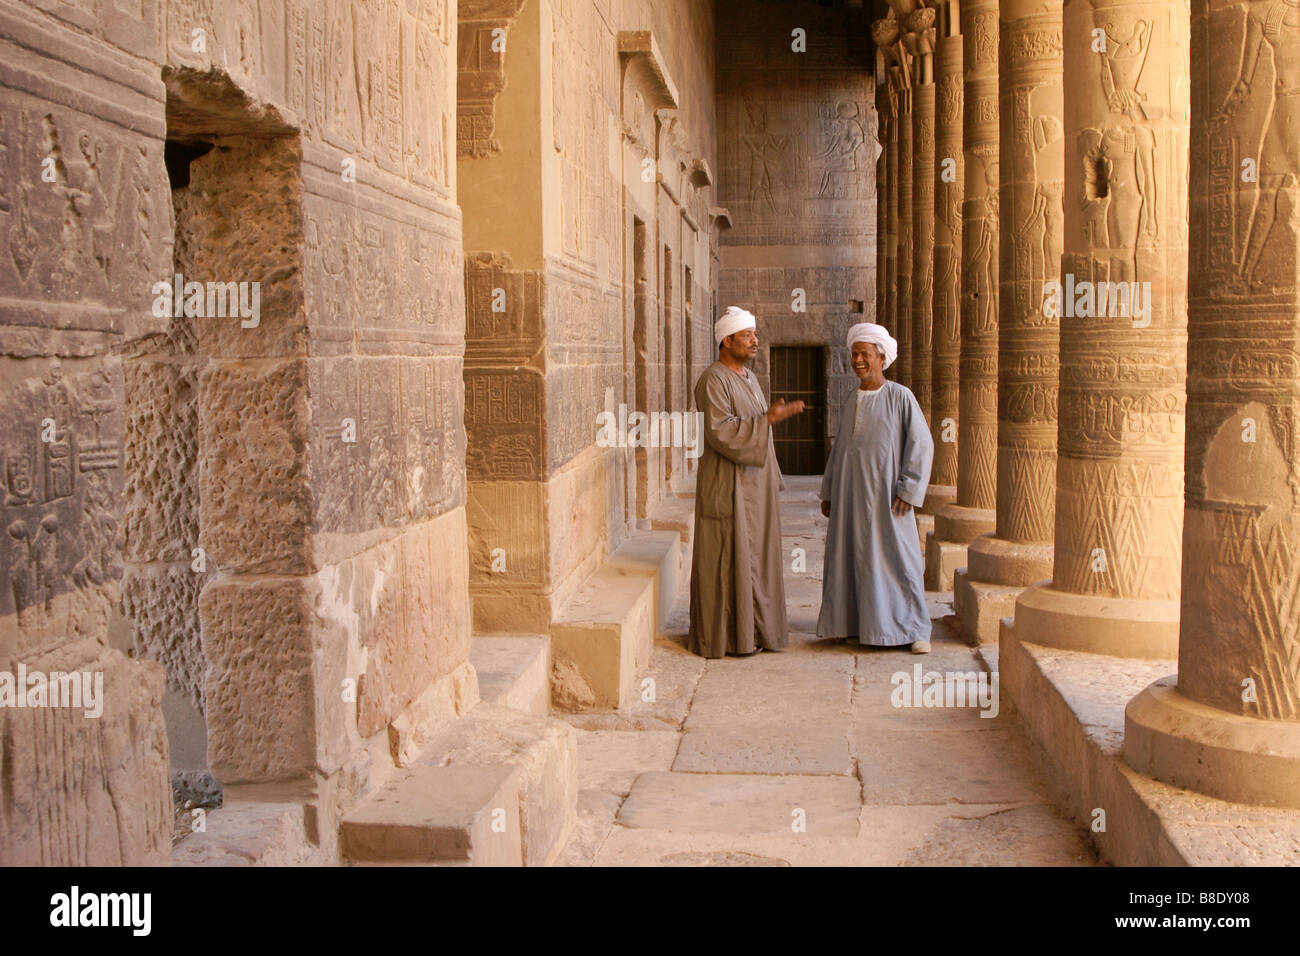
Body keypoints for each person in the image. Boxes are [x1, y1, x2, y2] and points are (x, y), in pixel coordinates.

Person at [687, 306, 805, 658]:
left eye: (754, 334)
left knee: (759, 558)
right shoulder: (713, 379)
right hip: (729, 485)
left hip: (756, 486)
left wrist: (767, 420)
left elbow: (755, 426)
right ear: (727, 340)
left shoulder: (749, 379)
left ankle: (758, 630)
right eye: (747, 335)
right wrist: (767, 418)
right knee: (728, 559)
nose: (755, 341)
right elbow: (720, 432)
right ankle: (728, 636)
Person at [817, 322, 934, 653]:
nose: (858, 361)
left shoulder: (900, 397)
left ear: (881, 358)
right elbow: (840, 448)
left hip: (887, 498)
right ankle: (861, 626)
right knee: (853, 557)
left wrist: (908, 489)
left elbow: (921, 444)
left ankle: (914, 629)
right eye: (854, 355)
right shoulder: (852, 397)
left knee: (900, 559)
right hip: (850, 496)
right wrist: (829, 491)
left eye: (864, 354)